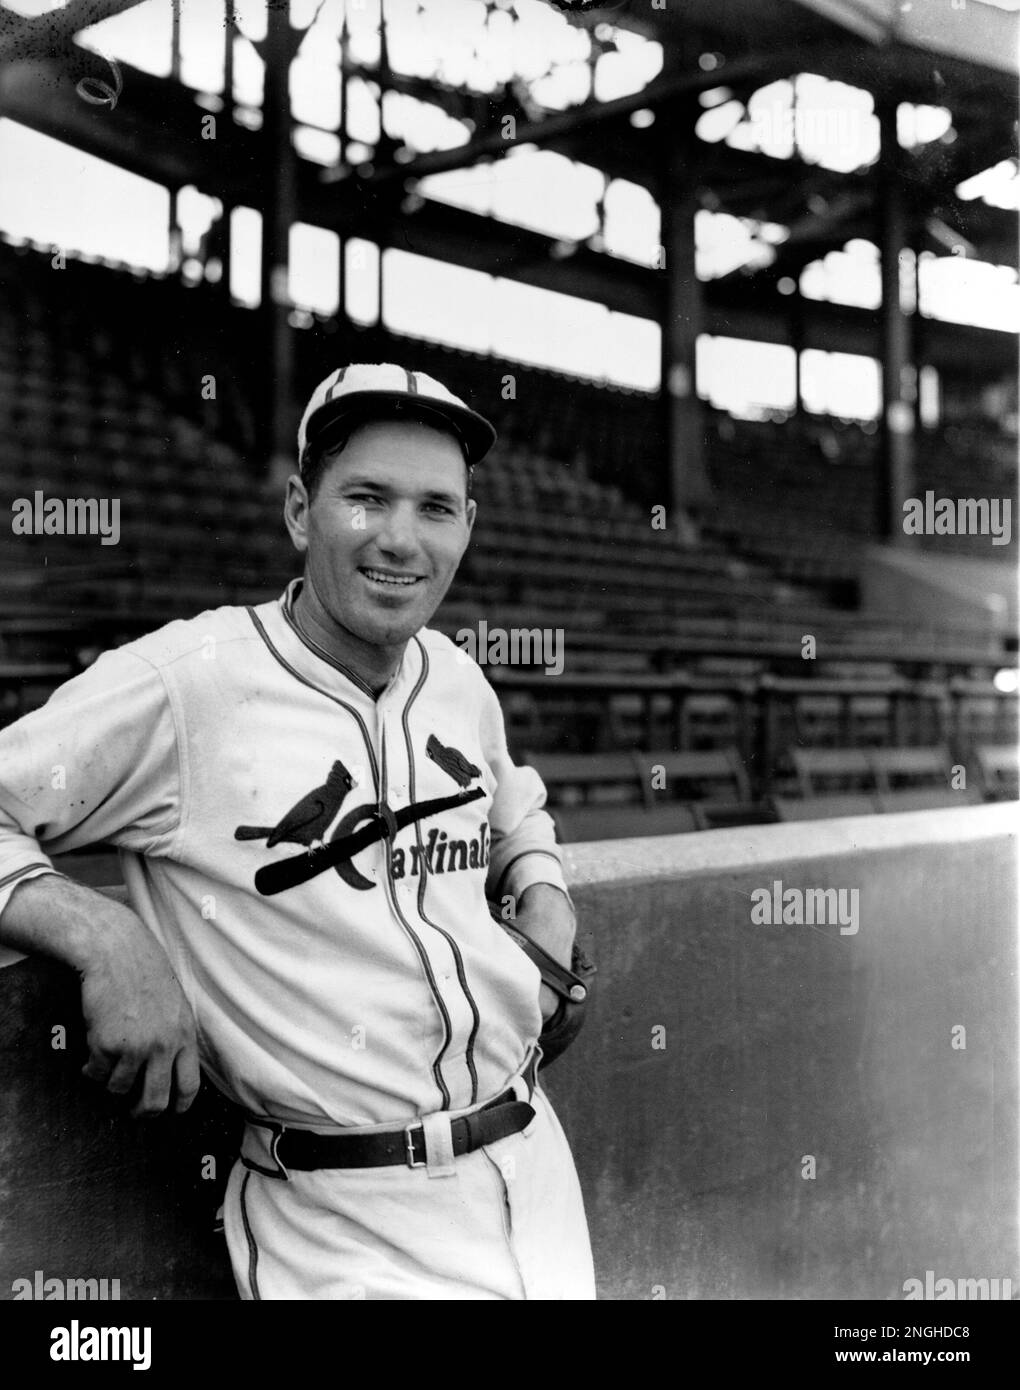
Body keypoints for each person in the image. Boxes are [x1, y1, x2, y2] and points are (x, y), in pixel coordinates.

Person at [0, 363, 596, 1301]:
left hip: (533, 1171)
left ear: (467, 530)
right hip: (342, 1217)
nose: (401, 539)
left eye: (436, 509)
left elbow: (515, 800)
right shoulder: (188, 683)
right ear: (298, 510)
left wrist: (544, 893)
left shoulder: (454, 675)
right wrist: (102, 932)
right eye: (366, 498)